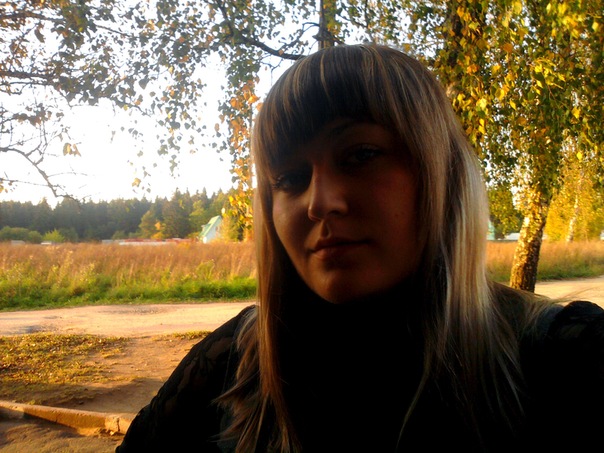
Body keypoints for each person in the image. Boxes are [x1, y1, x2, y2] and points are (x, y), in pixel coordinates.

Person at [116, 44, 604, 452]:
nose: (319, 203)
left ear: (442, 173)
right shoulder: (234, 362)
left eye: (361, 155)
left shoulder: (567, 361)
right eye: (289, 178)